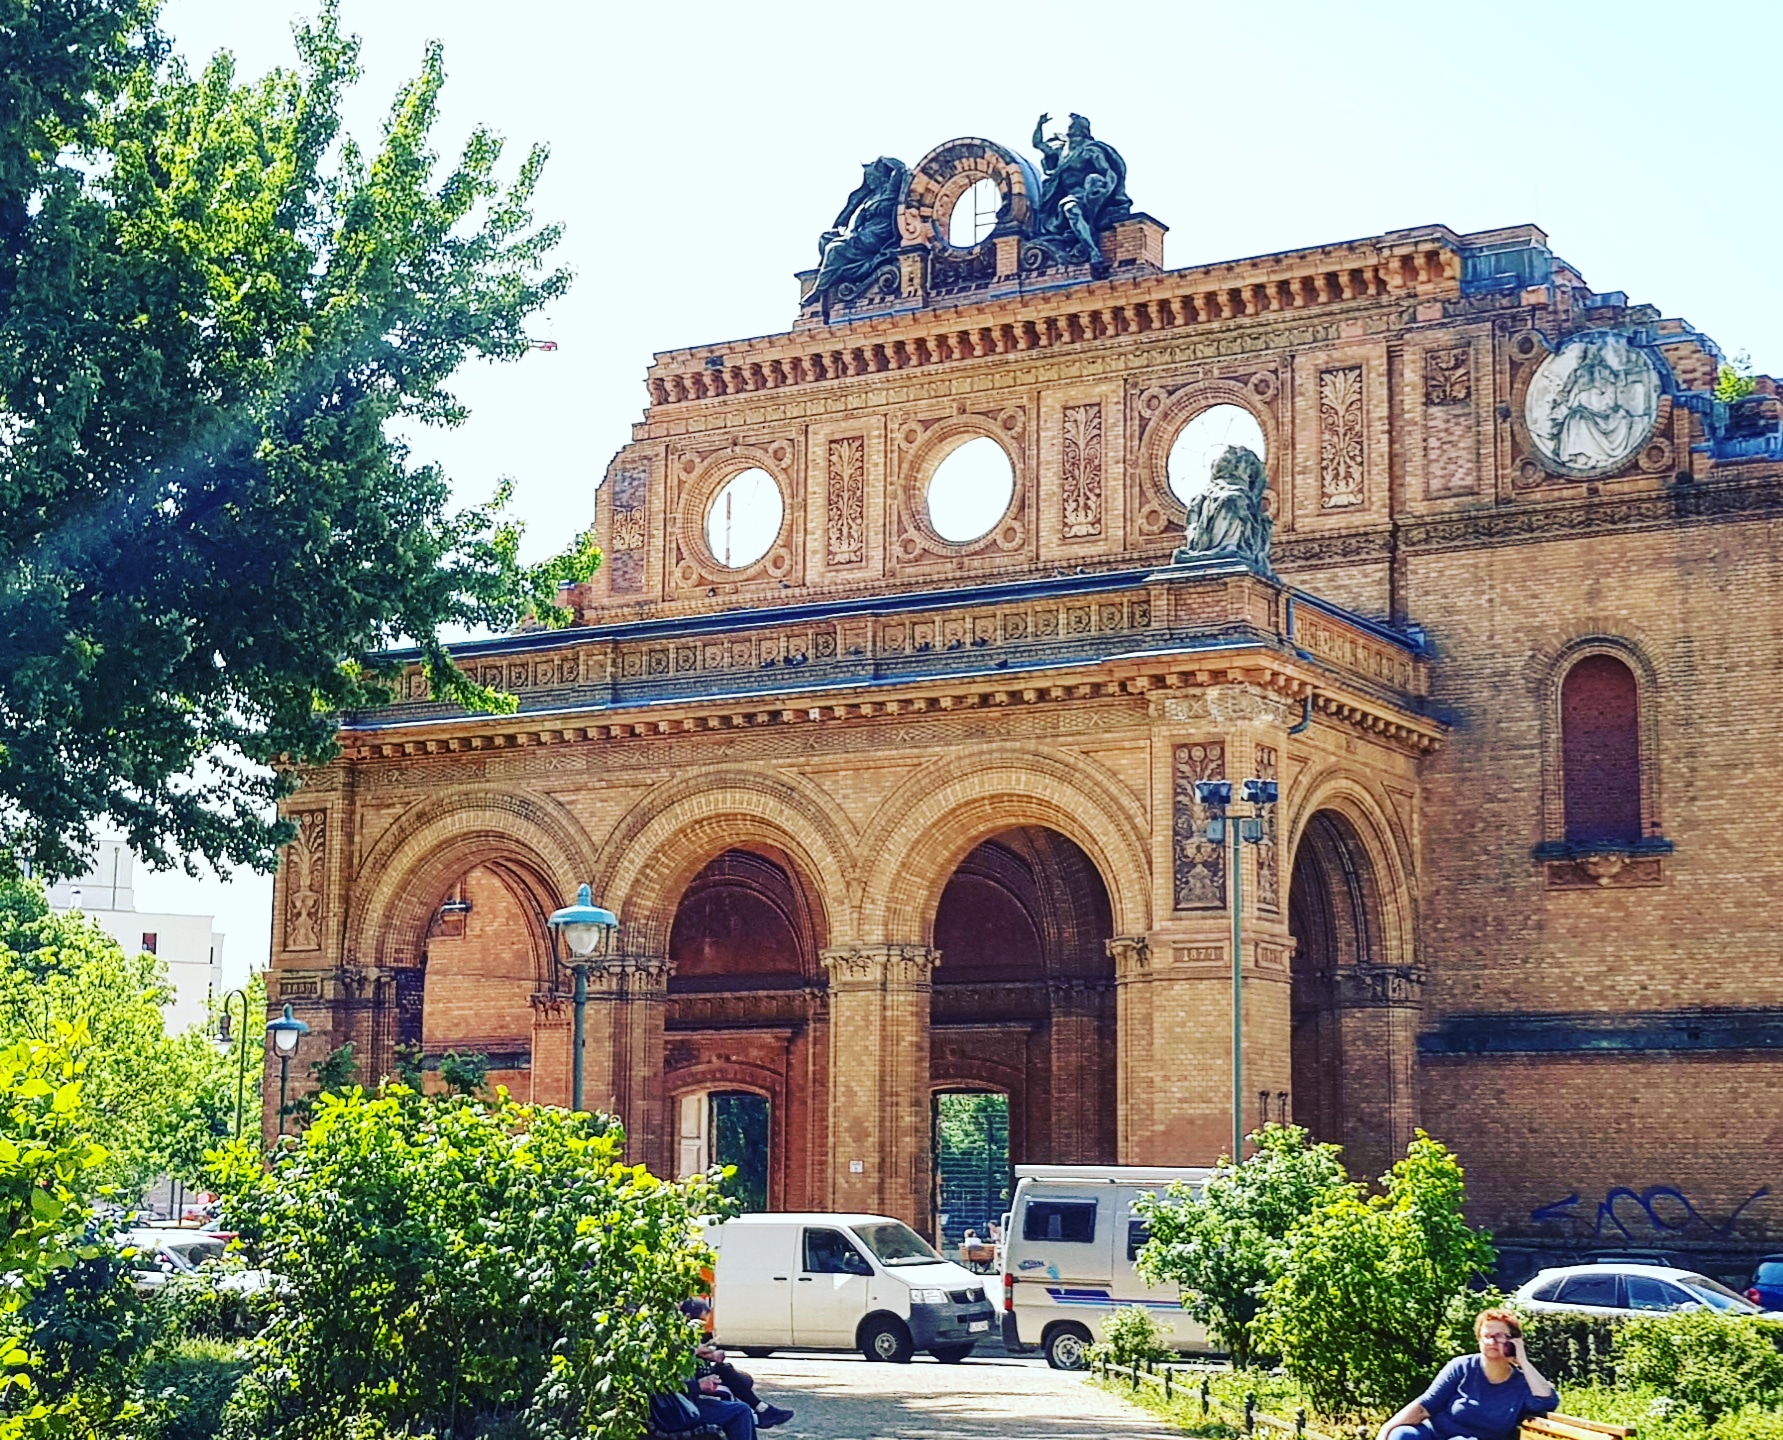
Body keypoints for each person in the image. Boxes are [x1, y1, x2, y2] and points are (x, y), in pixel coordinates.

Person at [1376, 1309, 1558, 1440]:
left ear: (1514, 1341)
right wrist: (1386, 1430)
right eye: (1487, 1336)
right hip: (1435, 1435)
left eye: (1500, 1336)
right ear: (1479, 1340)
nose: (1492, 1341)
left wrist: (1523, 1362)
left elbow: (1547, 1401)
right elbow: (1425, 1406)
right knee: (1401, 1435)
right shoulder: (1462, 1367)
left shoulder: (1522, 1383)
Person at [681, 1299, 794, 1431]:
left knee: (744, 1379)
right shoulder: (679, 1332)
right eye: (699, 1321)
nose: (702, 1328)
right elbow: (684, 1353)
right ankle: (760, 1412)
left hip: (698, 1371)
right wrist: (703, 1352)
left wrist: (709, 1353)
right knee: (728, 1372)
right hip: (691, 1378)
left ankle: (760, 1412)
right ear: (688, 1317)